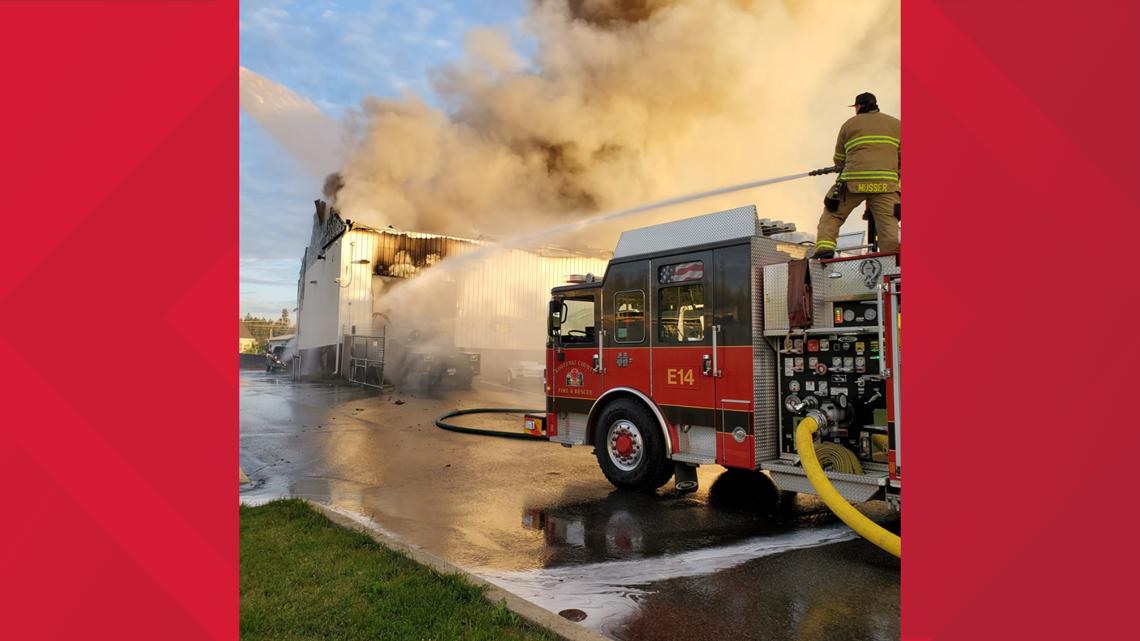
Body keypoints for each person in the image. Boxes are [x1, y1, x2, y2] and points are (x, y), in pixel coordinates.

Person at [811, 92, 901, 258]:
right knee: (888, 227)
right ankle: (893, 261)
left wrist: (842, 166)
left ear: (858, 106)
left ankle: (824, 251)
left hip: (853, 184)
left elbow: (839, 159)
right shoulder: (897, 125)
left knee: (832, 215)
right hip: (886, 186)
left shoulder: (849, 125)